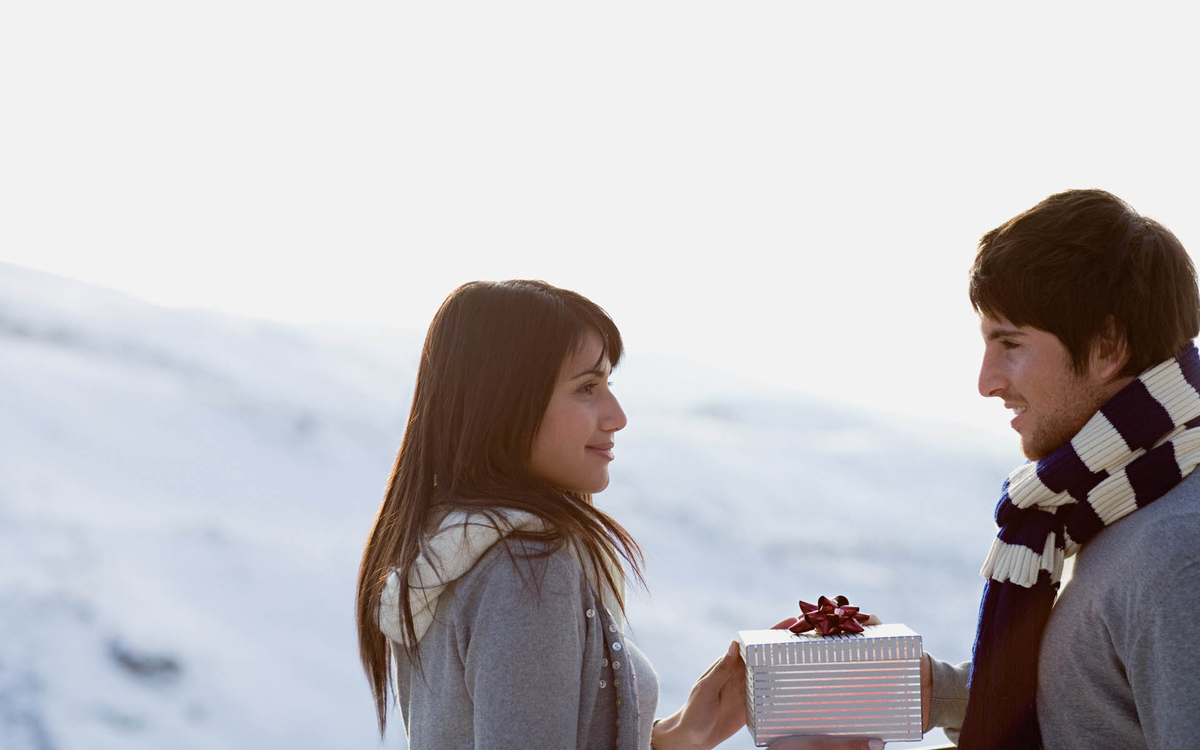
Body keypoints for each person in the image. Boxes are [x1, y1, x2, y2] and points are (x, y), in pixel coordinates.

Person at [354, 279, 755, 750]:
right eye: (587, 387)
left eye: (609, 384)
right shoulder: (528, 569)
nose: (617, 415)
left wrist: (679, 736)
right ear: (505, 403)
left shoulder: (447, 550)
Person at [921, 189, 1200, 748]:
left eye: (1011, 344)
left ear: (1107, 346)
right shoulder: (1108, 502)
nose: (987, 382)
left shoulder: (1176, 554)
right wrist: (939, 693)